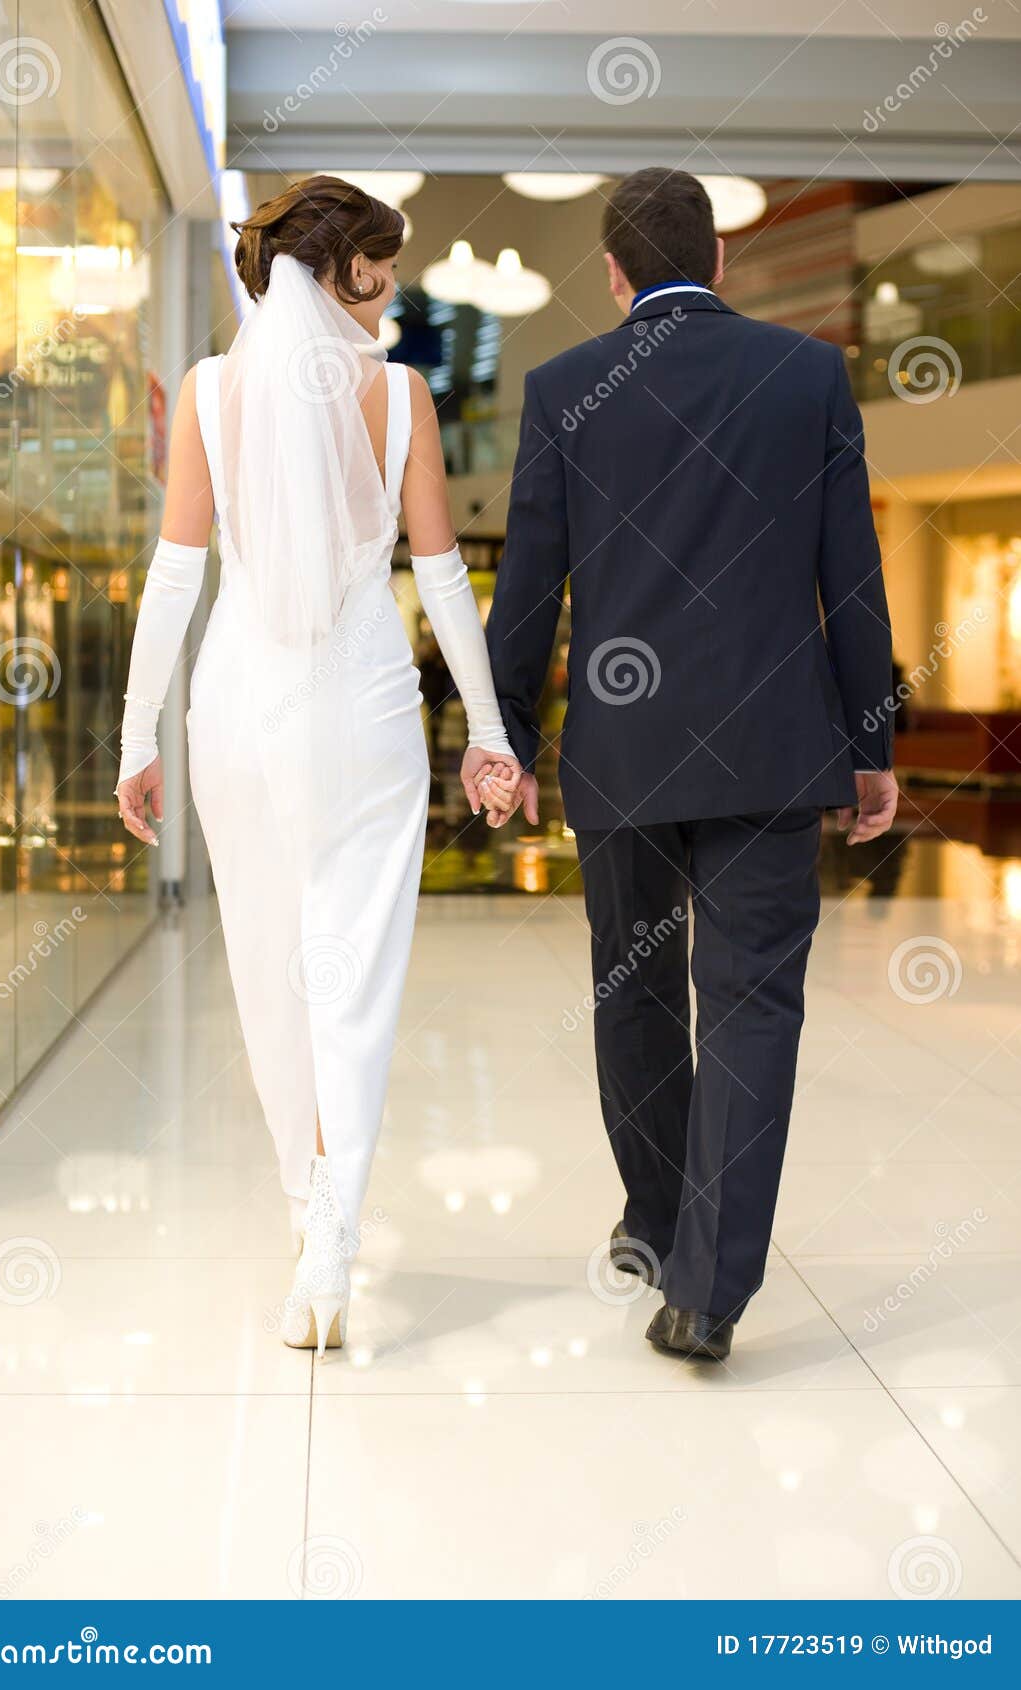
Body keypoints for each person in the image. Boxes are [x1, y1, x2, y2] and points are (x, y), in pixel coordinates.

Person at [483, 168, 899, 1363]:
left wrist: (503, 733)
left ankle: (658, 1223)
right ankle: (708, 1291)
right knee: (753, 1003)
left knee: (636, 989)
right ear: (721, 263)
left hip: (624, 754)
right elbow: (851, 577)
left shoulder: (565, 388)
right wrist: (867, 744)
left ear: (612, 274)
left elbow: (530, 589)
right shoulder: (806, 374)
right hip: (776, 750)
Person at [115, 177, 520, 1355]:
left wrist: (139, 735)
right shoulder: (398, 398)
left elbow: (175, 578)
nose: (391, 292)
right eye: (382, 269)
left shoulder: (208, 391)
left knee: (268, 966)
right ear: (344, 271)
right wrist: (487, 732)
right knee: (357, 976)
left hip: (239, 713)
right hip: (366, 713)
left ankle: (311, 1221)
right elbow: (441, 578)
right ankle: (333, 1234)